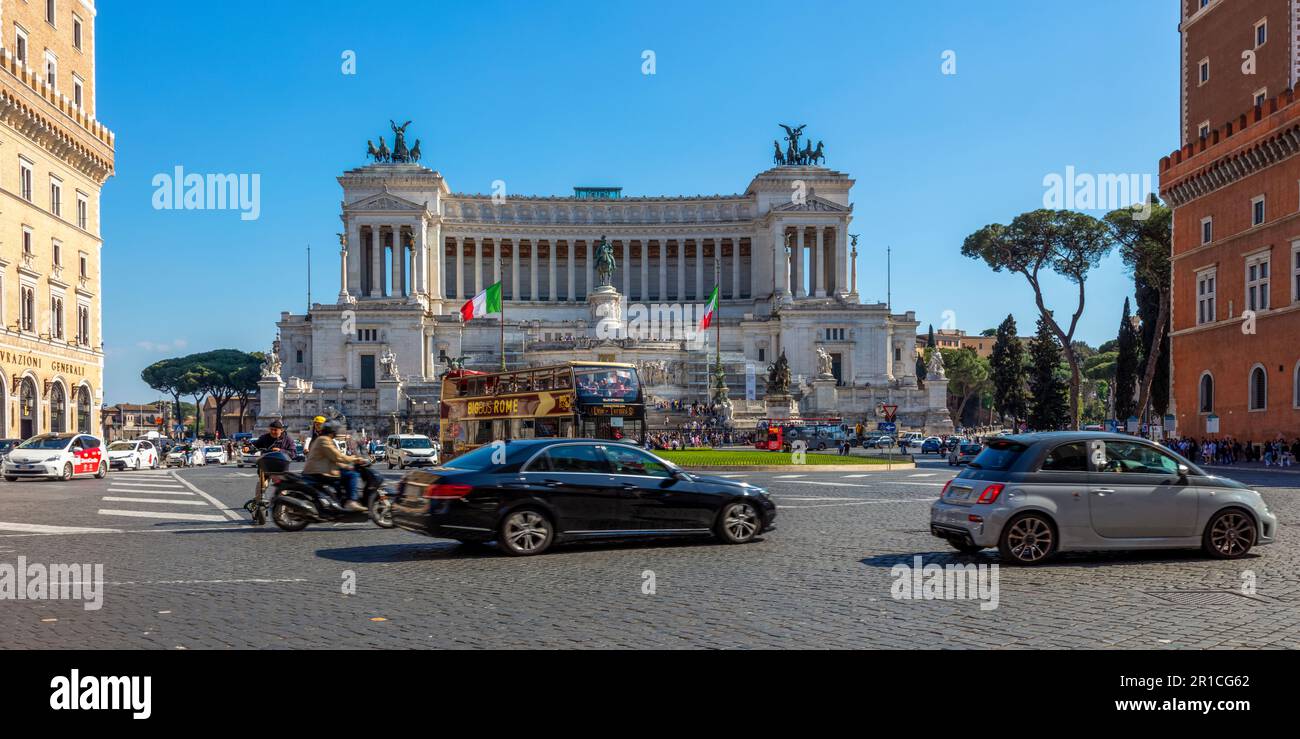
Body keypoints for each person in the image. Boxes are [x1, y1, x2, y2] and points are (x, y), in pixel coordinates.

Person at [302, 424, 367, 512]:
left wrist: (346, 466)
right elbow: (338, 457)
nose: (336, 434)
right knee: (352, 475)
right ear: (331, 432)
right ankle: (351, 501)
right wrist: (355, 459)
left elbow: (331, 459)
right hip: (319, 471)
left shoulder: (322, 439)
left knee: (346, 472)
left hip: (320, 469)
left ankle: (339, 500)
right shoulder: (324, 440)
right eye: (335, 432)